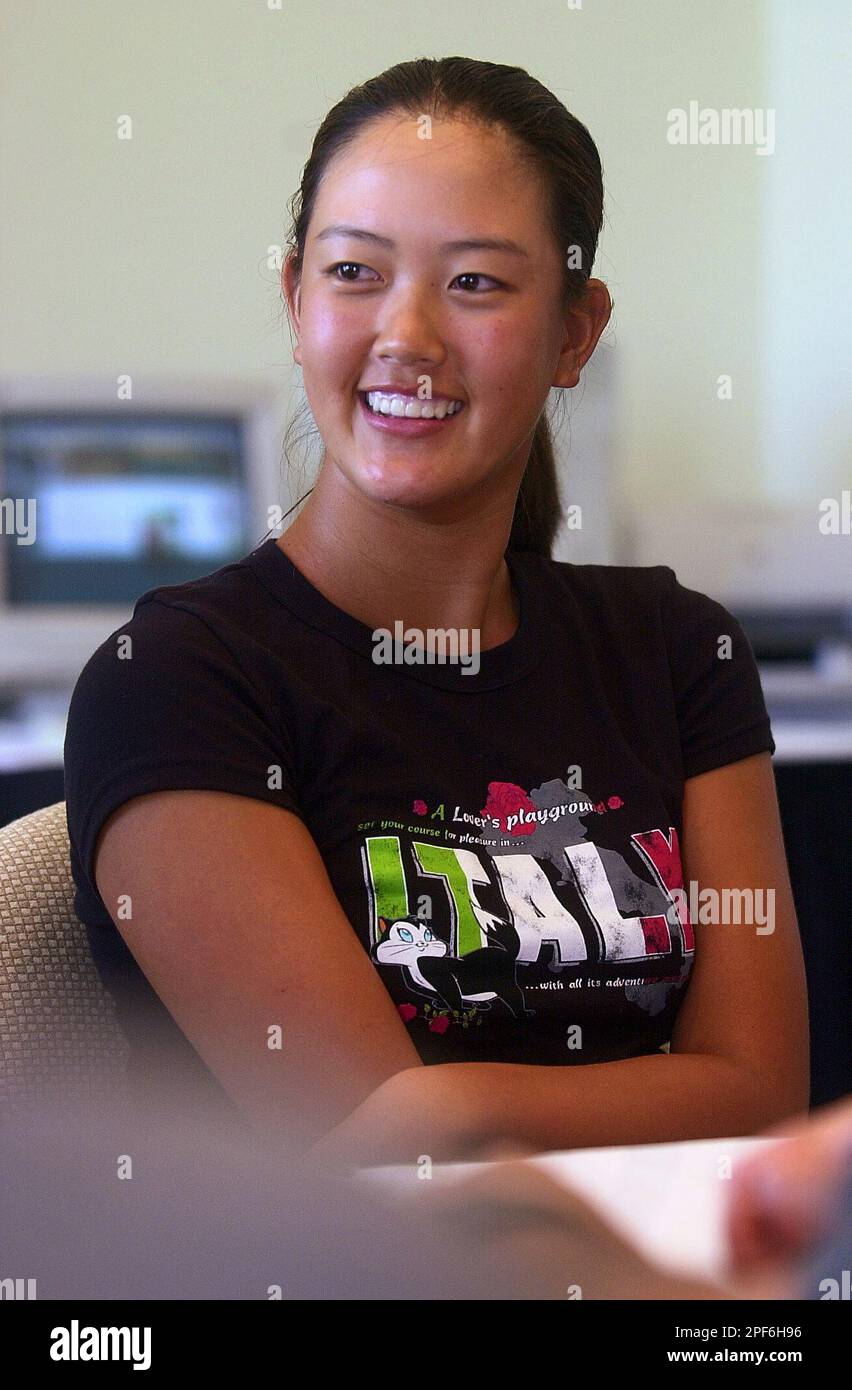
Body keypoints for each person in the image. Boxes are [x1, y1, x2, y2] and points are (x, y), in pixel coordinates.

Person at [63, 56, 809, 1165]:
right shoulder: (176, 681)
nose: (405, 335)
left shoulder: (675, 648)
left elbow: (765, 1099)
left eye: (475, 283)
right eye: (355, 271)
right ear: (296, 298)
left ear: (574, 333)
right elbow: (382, 1177)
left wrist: (455, 1106)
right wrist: (446, 1129)